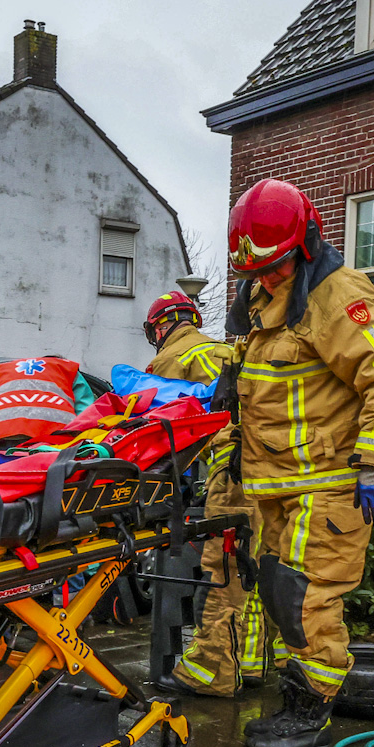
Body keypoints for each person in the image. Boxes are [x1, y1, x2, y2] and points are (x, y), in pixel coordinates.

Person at [224, 178, 374, 747]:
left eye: (275, 267)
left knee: (306, 600)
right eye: (256, 271)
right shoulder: (266, 297)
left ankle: (311, 715)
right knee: (282, 594)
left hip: (327, 485)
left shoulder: (335, 295)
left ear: (305, 245)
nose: (266, 278)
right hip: (278, 485)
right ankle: (298, 701)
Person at [142, 291, 282, 698]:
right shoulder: (223, 350)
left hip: (234, 463)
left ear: (160, 327)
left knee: (224, 565)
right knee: (253, 562)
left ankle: (213, 670)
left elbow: (162, 431)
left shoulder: (170, 359)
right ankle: (248, 663)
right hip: (271, 464)